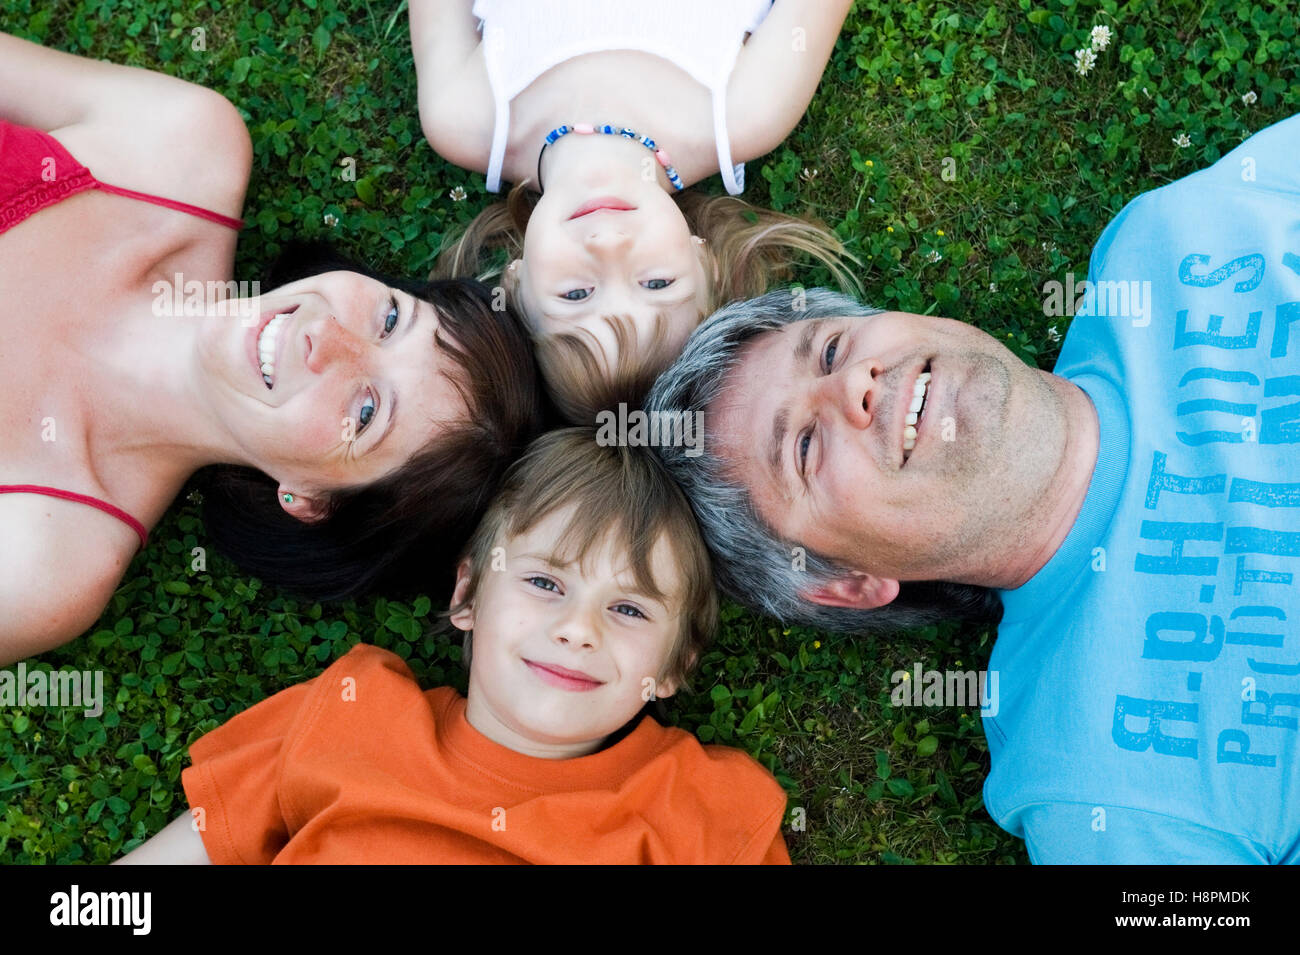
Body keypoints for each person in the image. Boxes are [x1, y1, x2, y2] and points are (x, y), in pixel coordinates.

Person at [645, 115, 1300, 862]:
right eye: (804, 446)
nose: (854, 385)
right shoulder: (1102, 794)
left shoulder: (1176, 242)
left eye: (830, 348)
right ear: (848, 583)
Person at [0, 33, 545, 665]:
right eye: (392, 319)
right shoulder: (183, 149)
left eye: (367, 413)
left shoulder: (43, 561)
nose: (328, 338)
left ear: (308, 500)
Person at [116, 429, 791, 864]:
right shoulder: (351, 716)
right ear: (467, 594)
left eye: (628, 607)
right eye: (543, 581)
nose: (579, 629)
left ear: (677, 663)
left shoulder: (696, 809)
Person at [412, 0, 859, 422]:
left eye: (575, 294)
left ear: (515, 280)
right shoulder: (747, 111)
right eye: (657, 283)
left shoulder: (464, 118)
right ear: (703, 259)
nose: (610, 244)